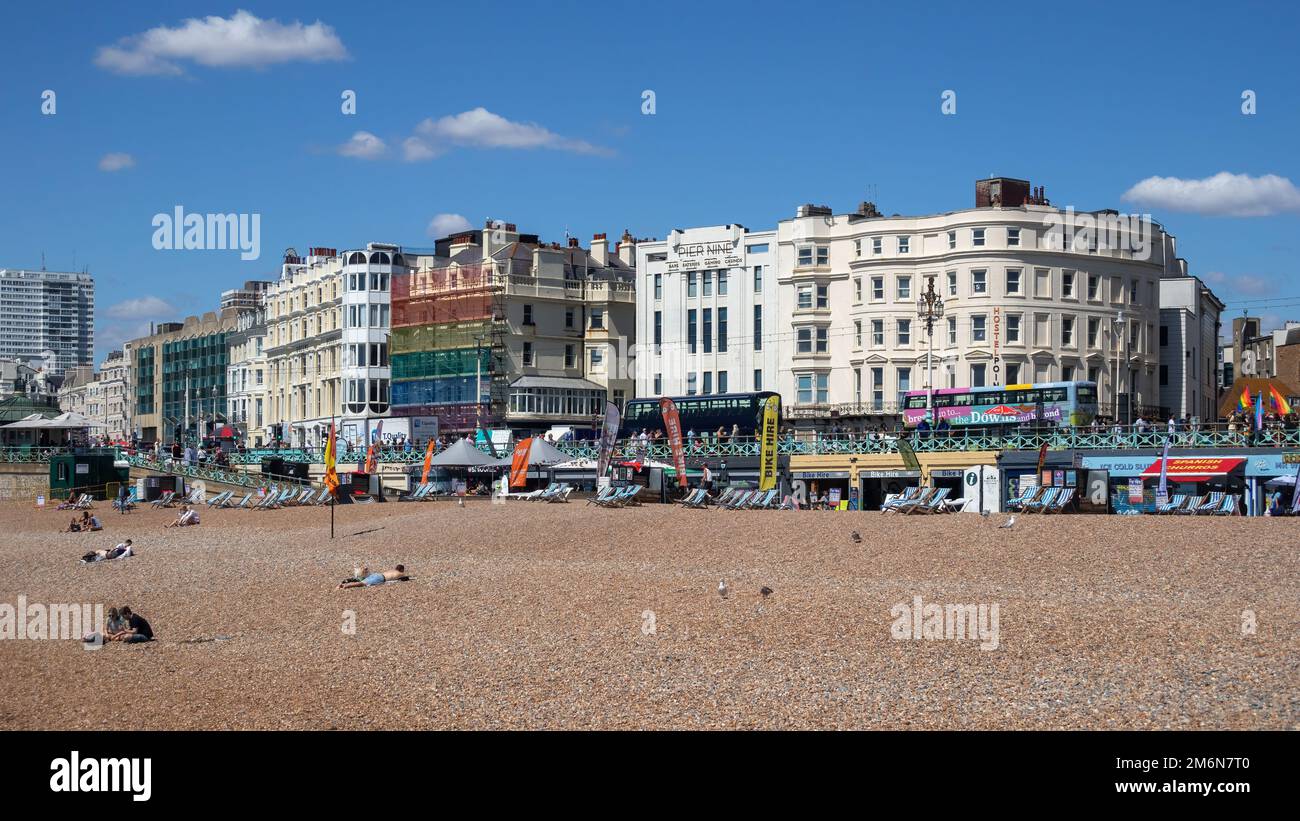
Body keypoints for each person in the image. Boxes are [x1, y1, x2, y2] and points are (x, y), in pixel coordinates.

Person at [338, 565, 407, 589]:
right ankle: (346, 586)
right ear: (401, 569)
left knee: (361, 581)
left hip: (377, 574)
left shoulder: (392, 570)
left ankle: (345, 583)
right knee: (362, 584)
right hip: (380, 578)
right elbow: (404, 576)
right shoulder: (400, 573)